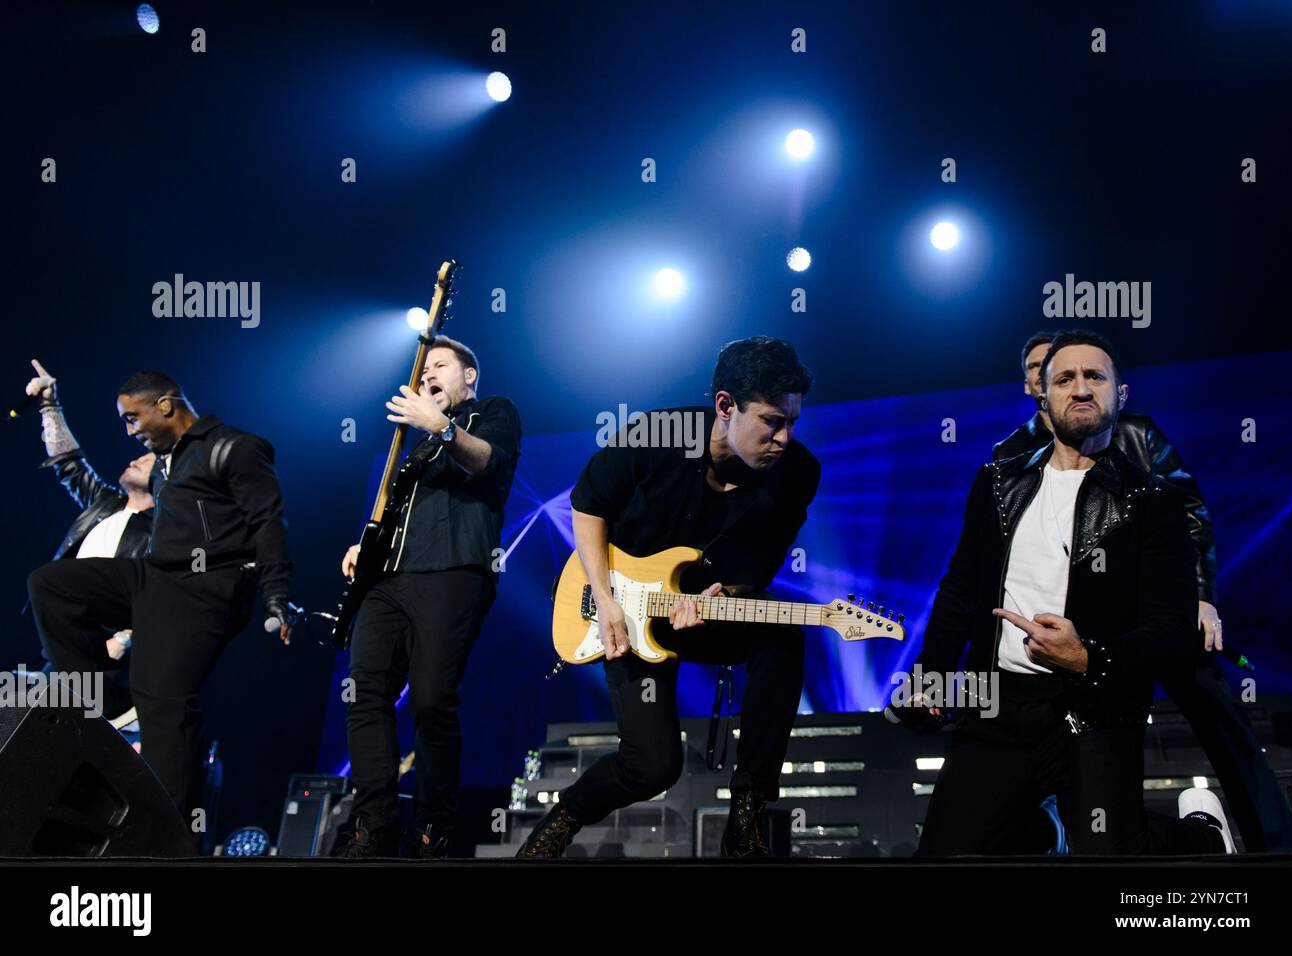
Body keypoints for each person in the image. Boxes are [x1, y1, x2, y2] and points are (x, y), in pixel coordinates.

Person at [899, 329, 1229, 854]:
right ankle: (1041, 835)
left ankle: (1201, 839)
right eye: (1065, 378)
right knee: (945, 857)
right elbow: (960, 589)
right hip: (998, 710)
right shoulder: (996, 484)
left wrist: (1087, 658)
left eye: (1095, 377)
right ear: (1043, 395)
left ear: (1121, 394)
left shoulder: (1153, 502)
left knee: (1112, 854)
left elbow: (1168, 628)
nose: (1080, 388)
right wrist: (929, 676)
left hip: (1095, 709)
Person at [993, 333, 1292, 852]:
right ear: (1032, 385)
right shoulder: (1011, 456)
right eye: (1045, 369)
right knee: (1082, 760)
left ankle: (1277, 846)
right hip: (1076, 631)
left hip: (1159, 613)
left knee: (1220, 718)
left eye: (1082, 372)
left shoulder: (1135, 433)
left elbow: (1189, 512)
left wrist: (1199, 596)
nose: (1070, 381)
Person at [517, 336, 821, 859]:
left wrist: (722, 595)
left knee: (781, 633)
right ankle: (563, 820)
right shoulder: (659, 433)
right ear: (725, 406)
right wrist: (607, 595)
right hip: (616, 609)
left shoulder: (798, 475)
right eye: (772, 420)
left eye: (792, 421)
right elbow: (588, 504)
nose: (784, 437)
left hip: (697, 608)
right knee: (653, 767)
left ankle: (746, 815)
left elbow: (755, 571)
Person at [27, 370, 294, 833]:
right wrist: (50, 406)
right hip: (156, 579)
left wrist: (277, 595)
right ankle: (101, 696)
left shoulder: (235, 448)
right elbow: (71, 465)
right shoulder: (159, 466)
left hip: (209, 587)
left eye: (133, 418)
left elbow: (268, 523)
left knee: (164, 709)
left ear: (166, 406)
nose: (130, 431)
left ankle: (167, 840)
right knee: (51, 584)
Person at [333, 336, 522, 858]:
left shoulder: (490, 412)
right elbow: (395, 515)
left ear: (468, 377)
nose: (428, 375)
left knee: (432, 698)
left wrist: (441, 426)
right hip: (388, 580)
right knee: (365, 693)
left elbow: (489, 463)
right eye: (422, 370)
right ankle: (373, 824)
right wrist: (365, 543)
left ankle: (434, 824)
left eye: (440, 366)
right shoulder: (412, 448)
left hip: (453, 572)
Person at [24, 359, 154, 724]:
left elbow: (162, 594)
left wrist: (123, 640)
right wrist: (50, 404)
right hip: (65, 649)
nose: (134, 459)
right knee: (34, 738)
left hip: (110, 659)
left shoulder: (161, 531)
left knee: (82, 742)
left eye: (144, 460)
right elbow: (68, 462)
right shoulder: (105, 504)